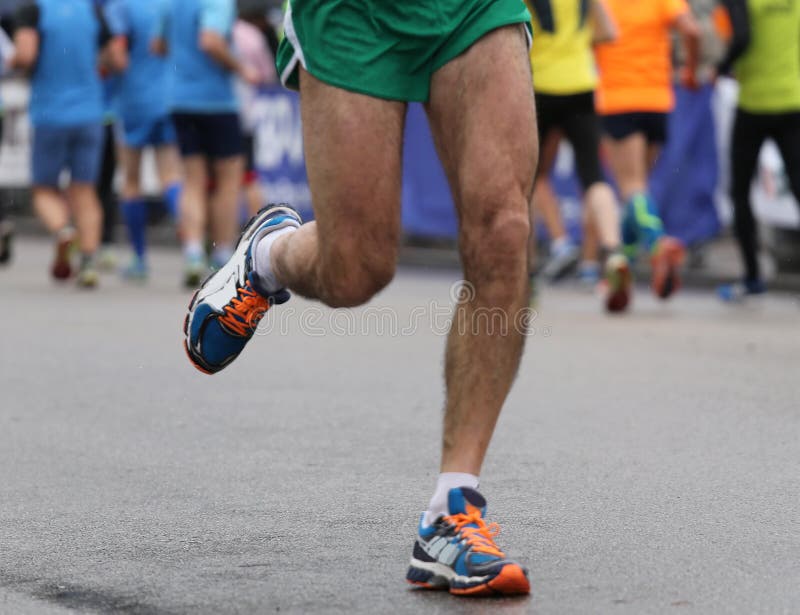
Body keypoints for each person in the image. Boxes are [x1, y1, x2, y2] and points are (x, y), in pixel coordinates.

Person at [184, 0, 537, 597]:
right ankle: (269, 255)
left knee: (503, 230)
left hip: (472, 9)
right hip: (354, 12)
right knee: (356, 268)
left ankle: (452, 508)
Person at [9, 0, 126, 287]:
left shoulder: (33, 9)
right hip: (91, 113)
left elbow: (25, 55)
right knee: (85, 191)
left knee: (44, 190)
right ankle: (87, 262)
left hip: (50, 114)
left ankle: (63, 231)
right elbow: (118, 60)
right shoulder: (93, 11)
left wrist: (11, 61)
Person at [528, 0, 632, 312]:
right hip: (581, 83)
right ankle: (613, 252)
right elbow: (609, 33)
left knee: (530, 179)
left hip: (540, 85)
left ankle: (530, 272)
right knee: (593, 177)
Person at [595, 0, 701, 299]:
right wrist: (690, 70)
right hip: (656, 100)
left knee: (632, 189)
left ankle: (657, 243)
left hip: (617, 98)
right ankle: (620, 275)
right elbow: (692, 30)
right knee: (636, 194)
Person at [153, 0, 256, 288]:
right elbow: (210, 40)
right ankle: (222, 254)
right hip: (216, 100)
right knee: (228, 179)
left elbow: (158, 45)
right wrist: (241, 68)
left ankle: (193, 252)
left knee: (193, 180)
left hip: (180, 98)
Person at [716, 0, 800, 302]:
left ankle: (752, 277)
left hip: (754, 104)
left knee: (739, 193)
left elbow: (741, 38)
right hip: (792, 100)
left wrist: (721, 67)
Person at [105, 0, 182, 281]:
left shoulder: (121, 6)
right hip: (168, 98)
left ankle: (139, 258)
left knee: (131, 180)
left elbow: (117, 53)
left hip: (133, 101)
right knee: (171, 177)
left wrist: (105, 67)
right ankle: (193, 250)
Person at [234, 0, 278, 217]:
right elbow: (268, 74)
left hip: (212, 111)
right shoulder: (251, 36)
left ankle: (210, 240)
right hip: (243, 114)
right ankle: (253, 232)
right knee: (248, 175)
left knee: (214, 180)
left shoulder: (206, 28)